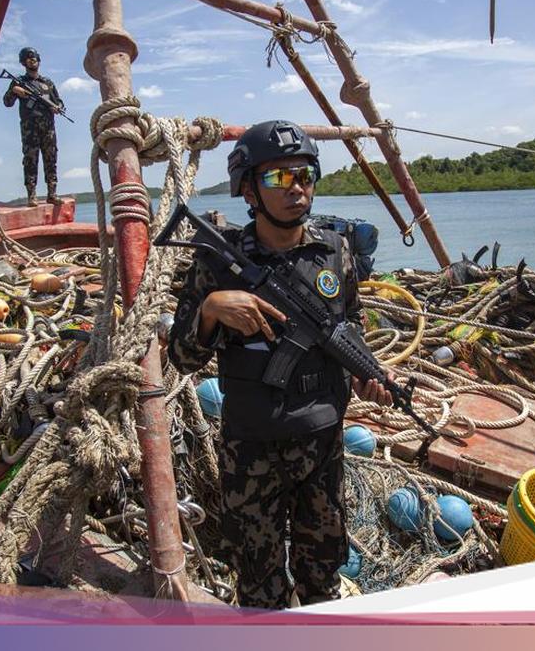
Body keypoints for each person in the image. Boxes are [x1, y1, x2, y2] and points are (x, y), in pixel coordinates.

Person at [167, 120, 393, 610]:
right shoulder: (217, 261)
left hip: (322, 445)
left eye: (305, 175)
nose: (295, 189)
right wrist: (211, 310)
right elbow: (182, 358)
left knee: (323, 572)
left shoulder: (335, 251)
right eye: (277, 178)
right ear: (247, 188)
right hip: (252, 451)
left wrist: (365, 370)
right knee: (257, 579)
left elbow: (349, 321)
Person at [2, 47, 63, 206]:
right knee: (30, 160)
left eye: (34, 57)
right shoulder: (18, 82)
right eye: (28, 58)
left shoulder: (47, 83)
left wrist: (58, 107)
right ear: (23, 62)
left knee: (51, 159)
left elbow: (59, 102)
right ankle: (32, 196)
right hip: (29, 129)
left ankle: (52, 193)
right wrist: (14, 90)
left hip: (48, 129)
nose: (32, 60)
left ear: (38, 60)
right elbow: (7, 102)